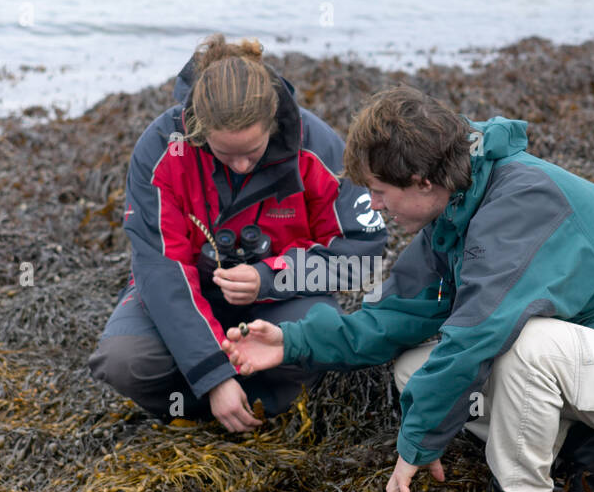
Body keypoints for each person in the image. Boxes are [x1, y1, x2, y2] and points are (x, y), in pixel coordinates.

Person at [222, 86, 594, 492]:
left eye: (377, 190)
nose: (373, 205)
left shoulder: (518, 202)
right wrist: (293, 341)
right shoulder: (457, 205)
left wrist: (416, 444)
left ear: (420, 181)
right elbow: (397, 316)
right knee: (412, 369)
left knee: (524, 346)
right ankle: (593, 450)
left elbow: (476, 335)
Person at [88, 35, 387, 432]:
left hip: (283, 300)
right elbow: (161, 271)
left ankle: (259, 407)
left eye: (253, 150)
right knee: (123, 361)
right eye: (226, 154)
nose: (243, 165)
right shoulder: (162, 151)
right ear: (199, 129)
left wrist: (269, 277)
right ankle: (212, 401)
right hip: (189, 296)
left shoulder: (317, 147)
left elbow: (360, 260)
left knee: (322, 337)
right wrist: (213, 375)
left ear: (272, 122)